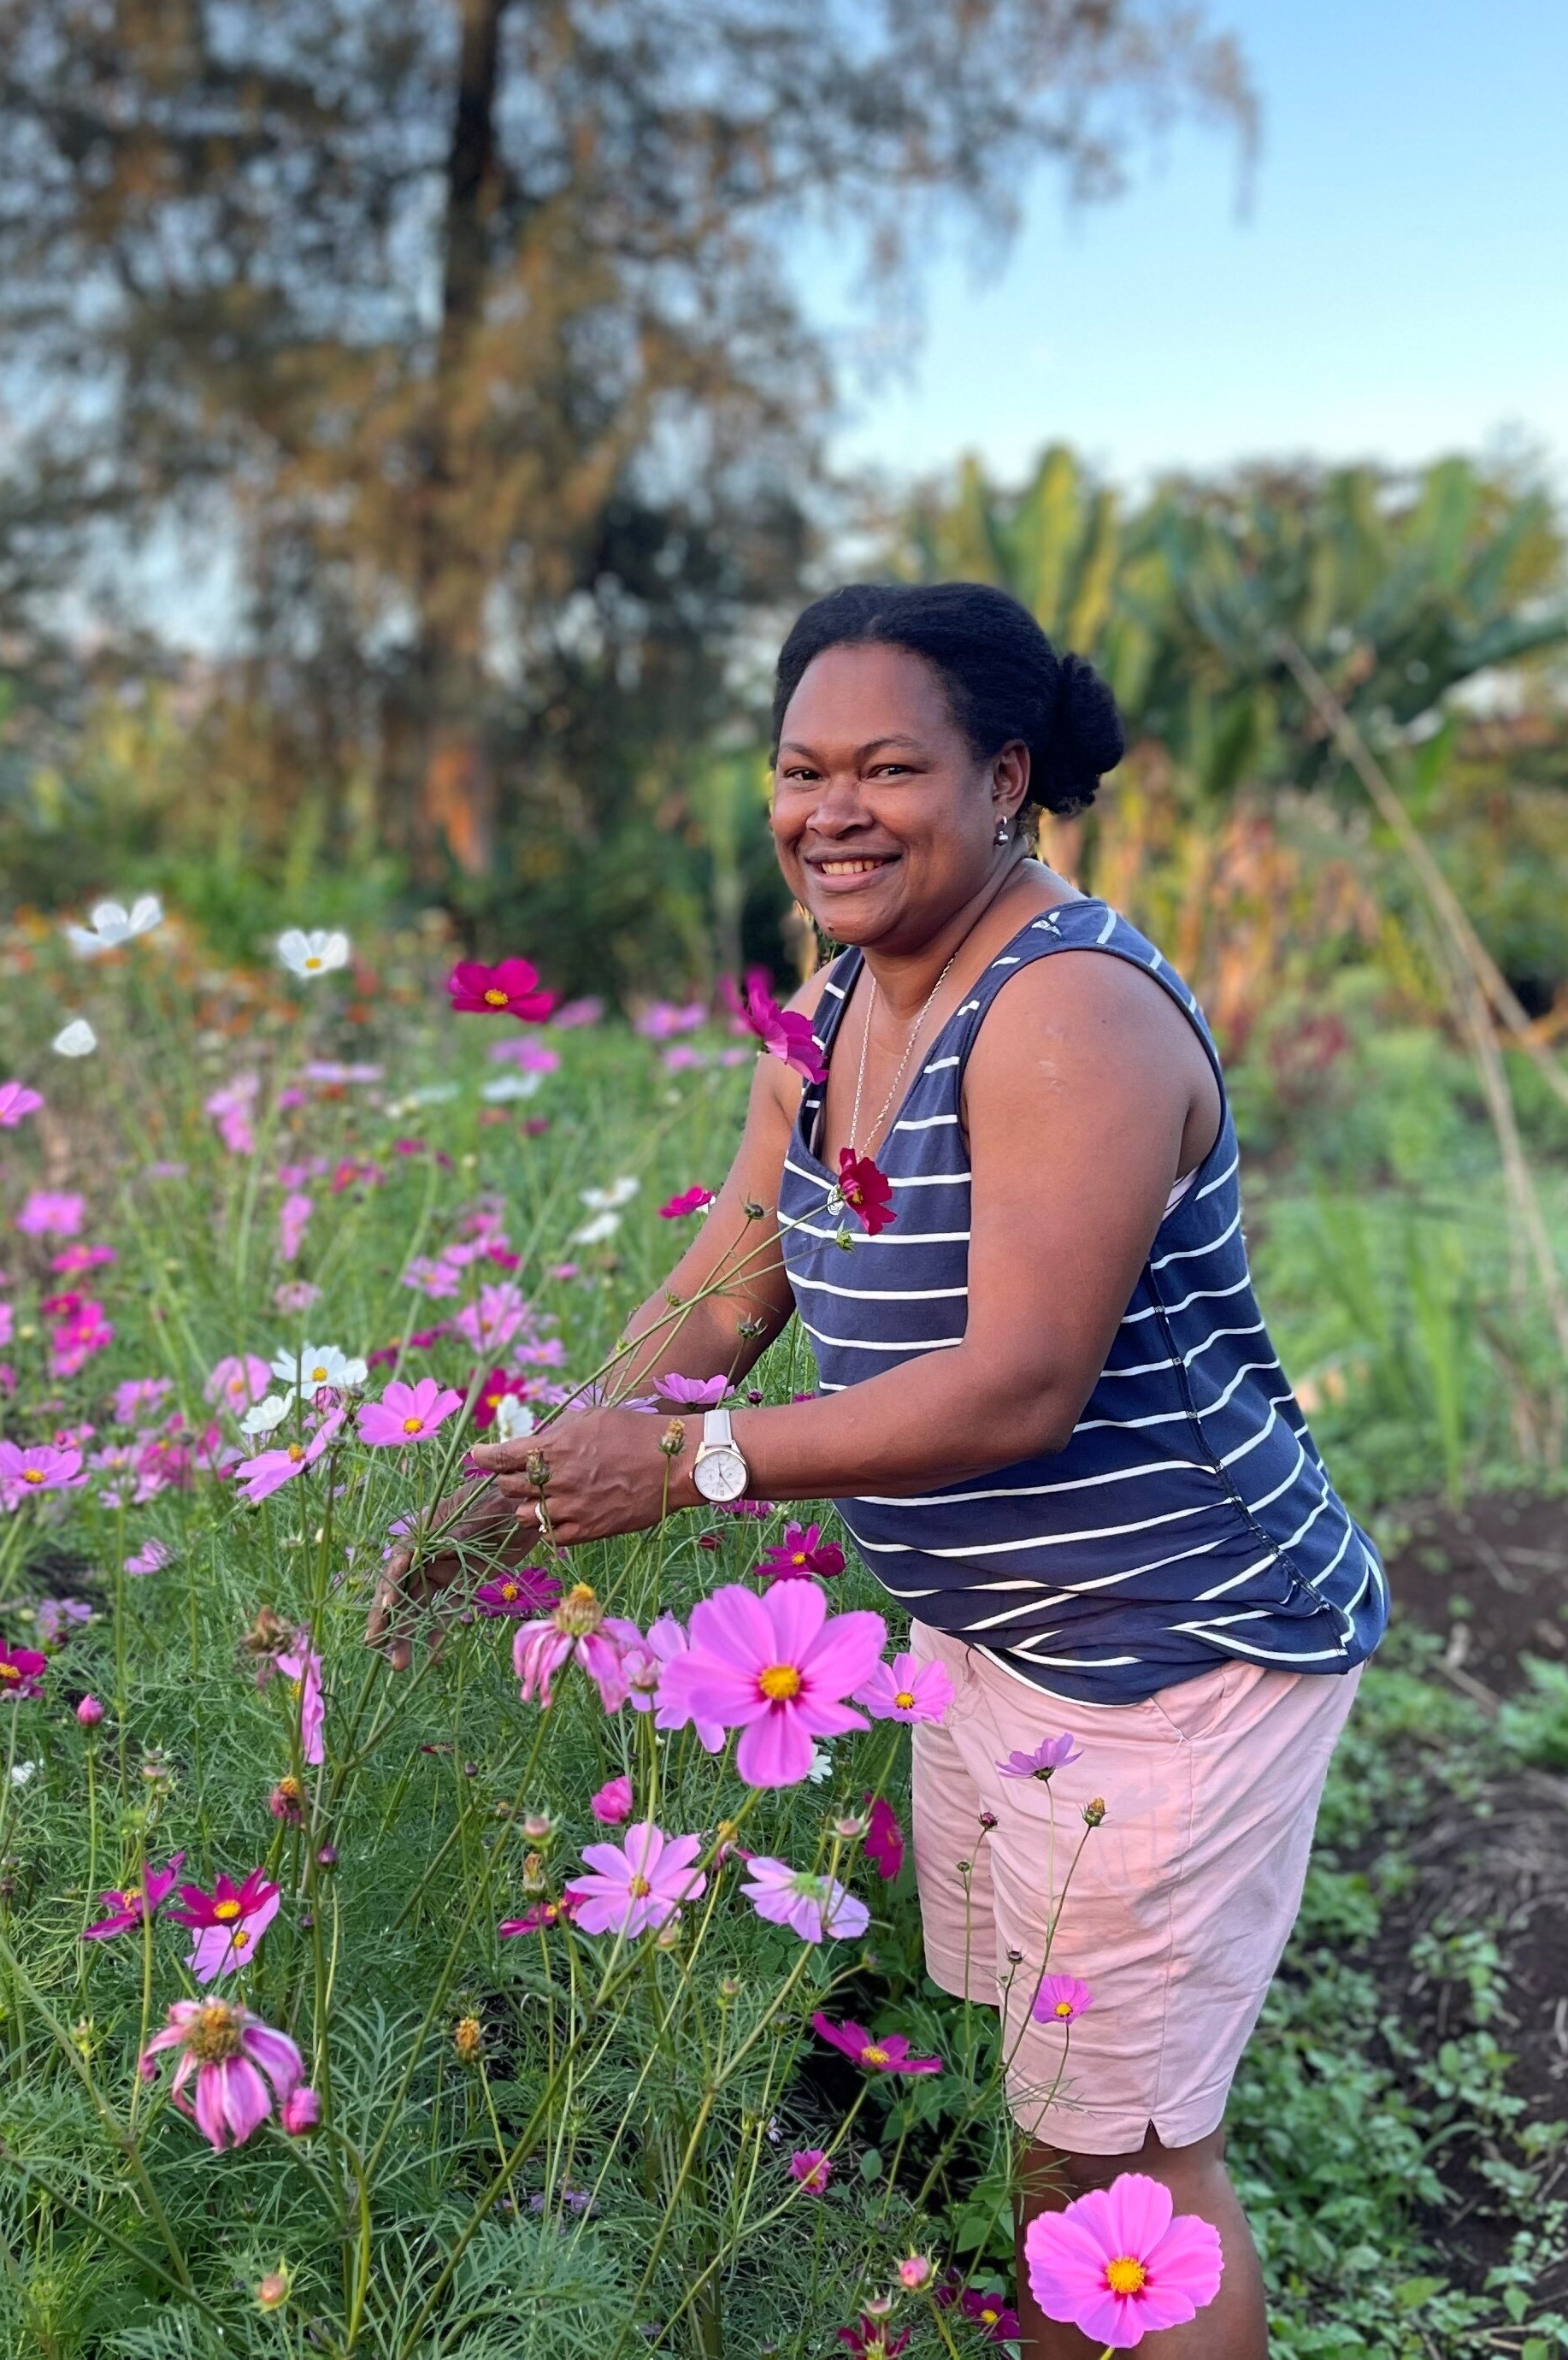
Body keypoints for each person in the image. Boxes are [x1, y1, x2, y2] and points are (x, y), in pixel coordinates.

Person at [462, 581, 1388, 2360]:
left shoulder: (1068, 1014)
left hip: (1176, 1650)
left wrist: (684, 1470)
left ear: (1004, 778)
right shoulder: (828, 1010)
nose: (833, 810)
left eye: (890, 767)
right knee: (1054, 2135)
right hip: (1005, 1642)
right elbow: (733, 1276)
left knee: (1128, 2179)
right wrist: (506, 1485)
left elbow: (1021, 1385)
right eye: (802, 770)